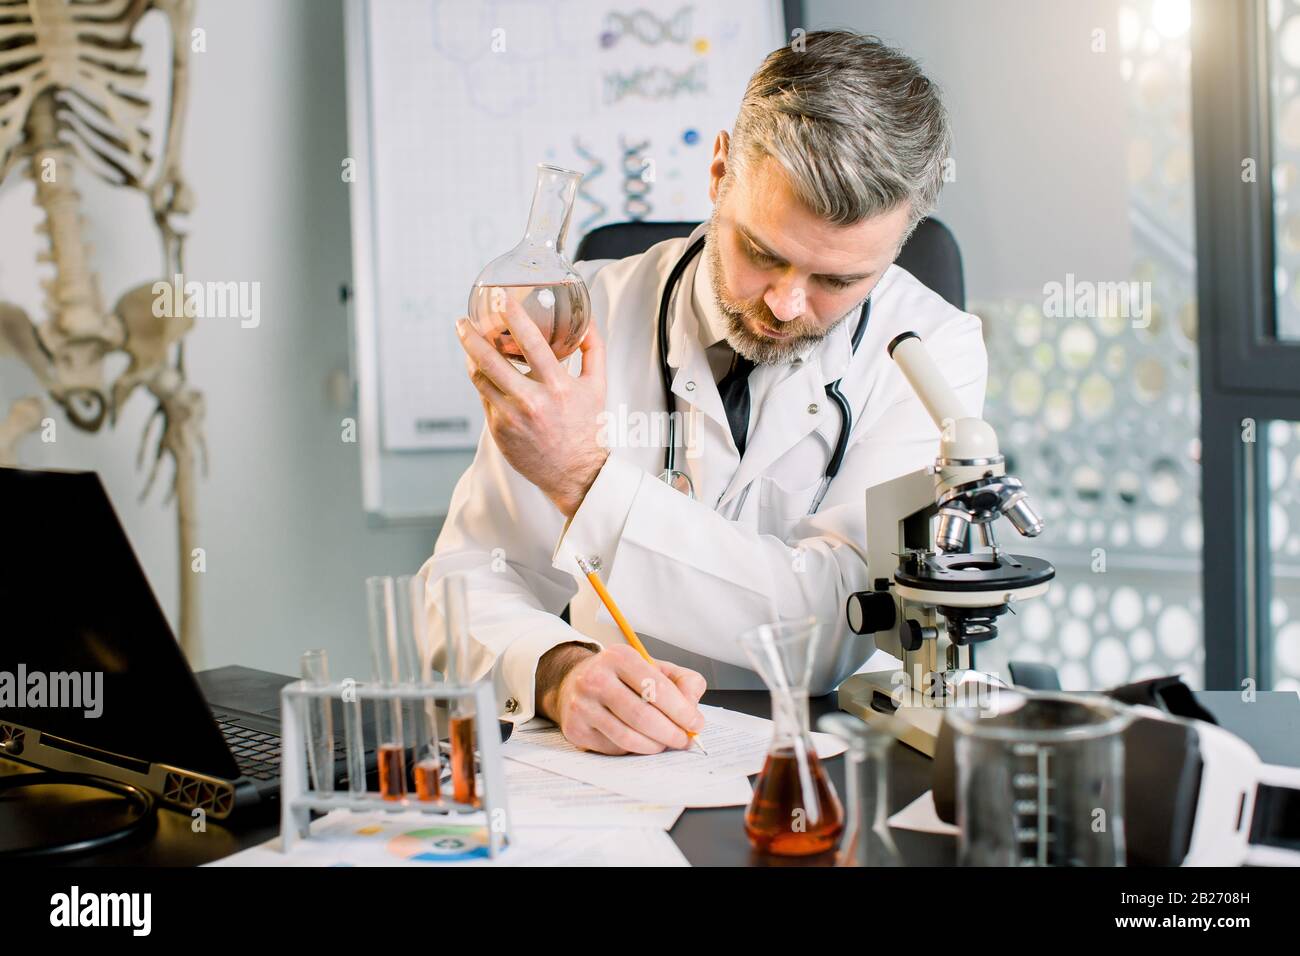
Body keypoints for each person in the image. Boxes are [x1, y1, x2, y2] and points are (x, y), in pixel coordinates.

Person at [421, 30, 986, 756]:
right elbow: (466, 574)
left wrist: (584, 482)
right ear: (720, 171)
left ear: (899, 243)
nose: (786, 304)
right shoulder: (588, 311)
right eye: (763, 253)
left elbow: (831, 625)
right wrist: (557, 671)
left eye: (838, 281)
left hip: (827, 755)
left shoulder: (933, 354)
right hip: (609, 767)